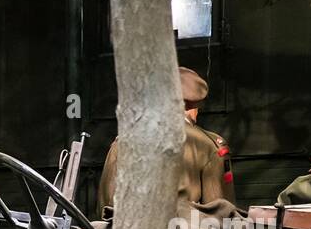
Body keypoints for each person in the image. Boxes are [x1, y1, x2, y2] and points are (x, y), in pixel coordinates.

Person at [97, 66, 234, 212]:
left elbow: (106, 207)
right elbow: (220, 212)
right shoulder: (209, 146)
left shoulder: (123, 143)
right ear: (192, 105)